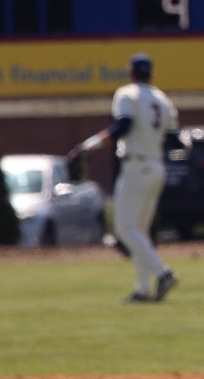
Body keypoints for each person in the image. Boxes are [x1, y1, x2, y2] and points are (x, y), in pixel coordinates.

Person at [69, 53, 180, 302]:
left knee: (124, 229)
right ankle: (143, 288)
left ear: (131, 72)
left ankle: (163, 273)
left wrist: (88, 146)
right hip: (156, 166)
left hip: (136, 166)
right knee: (140, 231)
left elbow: (123, 126)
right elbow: (174, 139)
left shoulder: (127, 94)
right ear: (151, 74)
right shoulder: (162, 99)